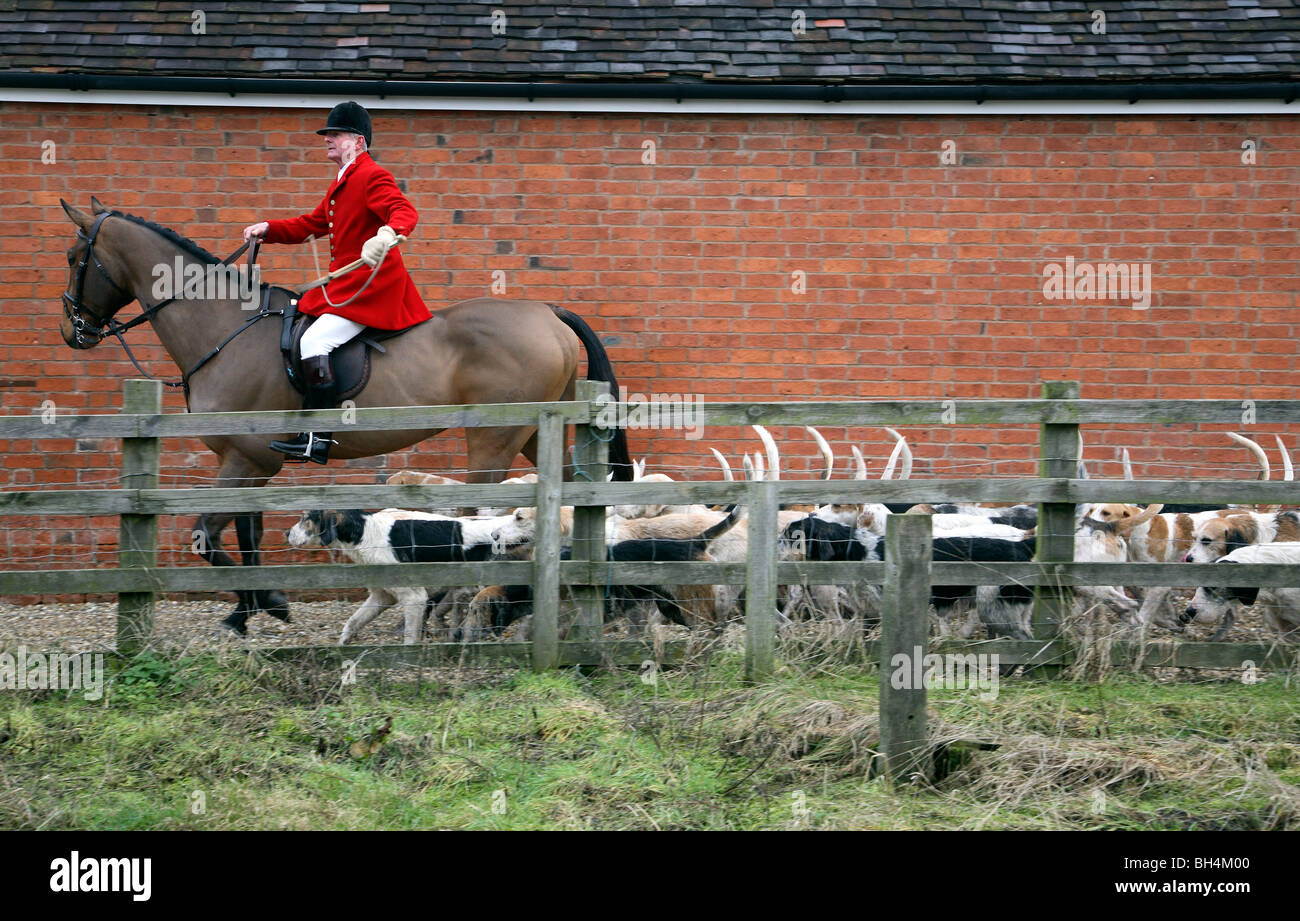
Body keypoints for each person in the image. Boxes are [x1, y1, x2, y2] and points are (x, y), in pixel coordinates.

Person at [243, 101, 430, 464]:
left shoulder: (371, 175)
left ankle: (317, 437)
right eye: (327, 134)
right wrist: (269, 229)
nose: (327, 139)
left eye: (336, 134)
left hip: (370, 288)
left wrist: (389, 234)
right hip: (344, 287)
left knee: (315, 339)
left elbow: (405, 212)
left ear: (358, 142)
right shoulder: (343, 181)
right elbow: (311, 224)